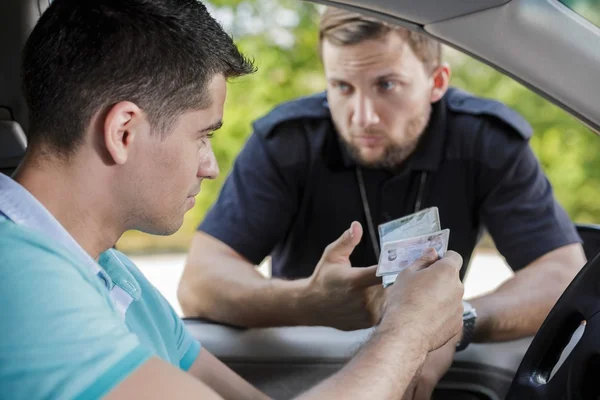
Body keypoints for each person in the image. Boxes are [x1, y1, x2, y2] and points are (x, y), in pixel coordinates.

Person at [0, 1, 466, 399]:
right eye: (202, 135)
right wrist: (410, 328)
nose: (210, 166)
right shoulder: (17, 275)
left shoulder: (114, 274)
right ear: (123, 131)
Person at [178, 6, 588, 399]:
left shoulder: (485, 140)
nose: (362, 116)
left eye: (386, 85)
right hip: (312, 366)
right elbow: (200, 281)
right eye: (342, 87)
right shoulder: (288, 142)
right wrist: (307, 300)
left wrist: (451, 320)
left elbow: (560, 273)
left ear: (438, 81)